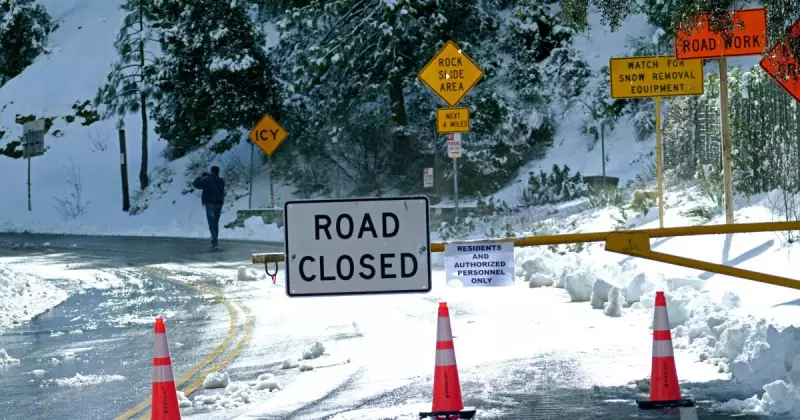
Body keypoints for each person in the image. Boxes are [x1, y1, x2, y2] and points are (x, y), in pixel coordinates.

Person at [193, 166, 225, 250]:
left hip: (210, 203)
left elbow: (196, 184)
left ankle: (215, 242)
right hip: (219, 204)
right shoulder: (221, 181)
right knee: (215, 223)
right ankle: (215, 241)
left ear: (211, 171)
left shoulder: (207, 180)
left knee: (211, 223)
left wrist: (201, 177)